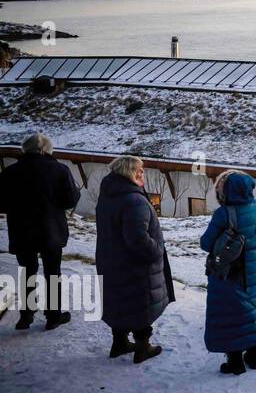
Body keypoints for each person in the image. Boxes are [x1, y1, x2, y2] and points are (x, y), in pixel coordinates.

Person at [95, 155, 174, 363]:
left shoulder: (108, 195)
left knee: (119, 301)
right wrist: (156, 251)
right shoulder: (134, 200)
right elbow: (138, 238)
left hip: (111, 260)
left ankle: (119, 343)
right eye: (139, 171)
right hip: (135, 265)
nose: (143, 174)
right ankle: (143, 347)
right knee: (141, 304)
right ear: (130, 173)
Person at [0, 133, 81, 329]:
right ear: (47, 150)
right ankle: (53, 317)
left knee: (27, 272)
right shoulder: (60, 170)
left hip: (22, 230)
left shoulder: (11, 172)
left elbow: (1, 202)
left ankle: (26, 315)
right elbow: (70, 200)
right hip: (50, 230)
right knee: (53, 273)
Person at [199, 170, 256, 375]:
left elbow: (206, 243)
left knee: (229, 312)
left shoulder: (224, 213)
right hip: (252, 268)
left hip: (229, 271)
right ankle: (253, 357)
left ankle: (235, 361)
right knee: (251, 308)